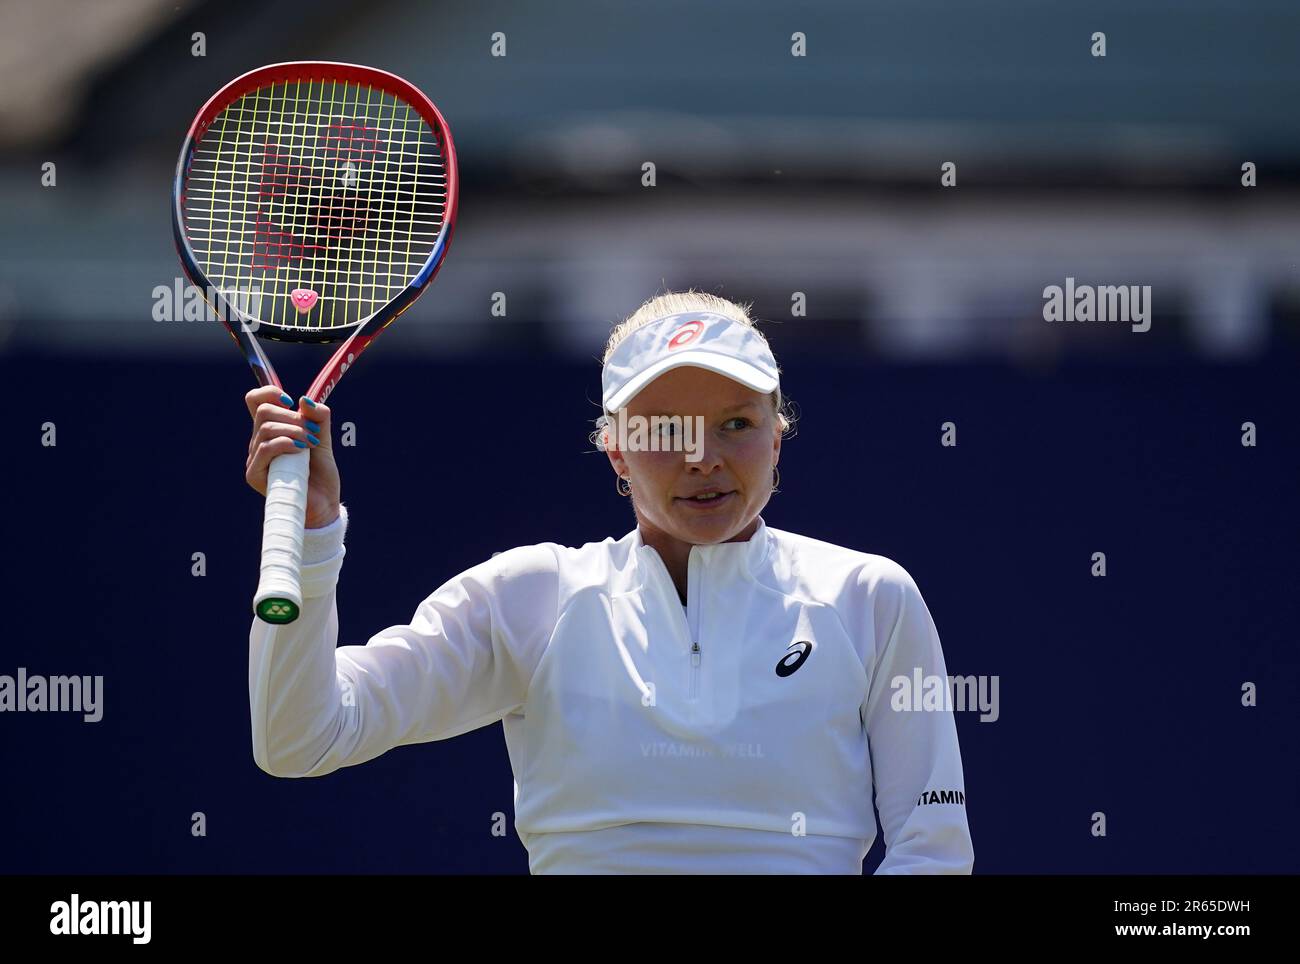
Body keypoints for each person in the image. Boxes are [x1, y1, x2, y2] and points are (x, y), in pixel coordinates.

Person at [244, 290, 974, 874]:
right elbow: (300, 739)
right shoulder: (531, 595)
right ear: (616, 452)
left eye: (734, 424)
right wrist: (313, 539)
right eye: (663, 428)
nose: (702, 458)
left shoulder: (872, 597)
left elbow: (933, 849)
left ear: (776, 435)